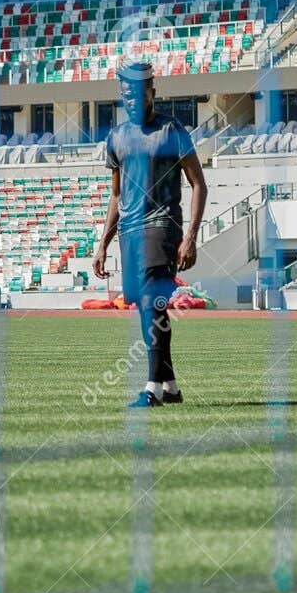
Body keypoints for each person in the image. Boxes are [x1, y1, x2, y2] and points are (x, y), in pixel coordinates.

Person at [92, 61, 208, 407]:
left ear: (152, 93)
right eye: (125, 95)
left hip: (161, 227)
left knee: (150, 301)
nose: (131, 100)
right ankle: (170, 386)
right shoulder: (116, 137)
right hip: (129, 232)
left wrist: (190, 237)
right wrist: (103, 244)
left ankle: (152, 388)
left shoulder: (172, 131)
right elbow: (116, 195)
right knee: (146, 306)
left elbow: (199, 184)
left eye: (138, 94)